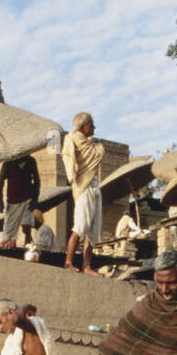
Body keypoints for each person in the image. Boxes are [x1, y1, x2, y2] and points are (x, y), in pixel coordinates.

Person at [62, 111, 104, 273]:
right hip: (83, 187)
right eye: (91, 125)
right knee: (81, 225)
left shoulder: (91, 142)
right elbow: (95, 153)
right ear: (84, 126)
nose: (94, 128)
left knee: (93, 229)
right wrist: (95, 143)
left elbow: (97, 152)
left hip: (94, 186)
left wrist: (94, 142)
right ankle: (68, 262)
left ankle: (87, 265)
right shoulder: (74, 139)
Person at [0, 153, 40, 248]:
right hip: (13, 201)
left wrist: (35, 200)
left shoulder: (31, 161)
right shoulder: (8, 163)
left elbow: (37, 180)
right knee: (9, 234)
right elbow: (0, 181)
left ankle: (28, 249)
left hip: (28, 199)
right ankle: (11, 250)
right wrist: (0, 202)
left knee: (27, 228)